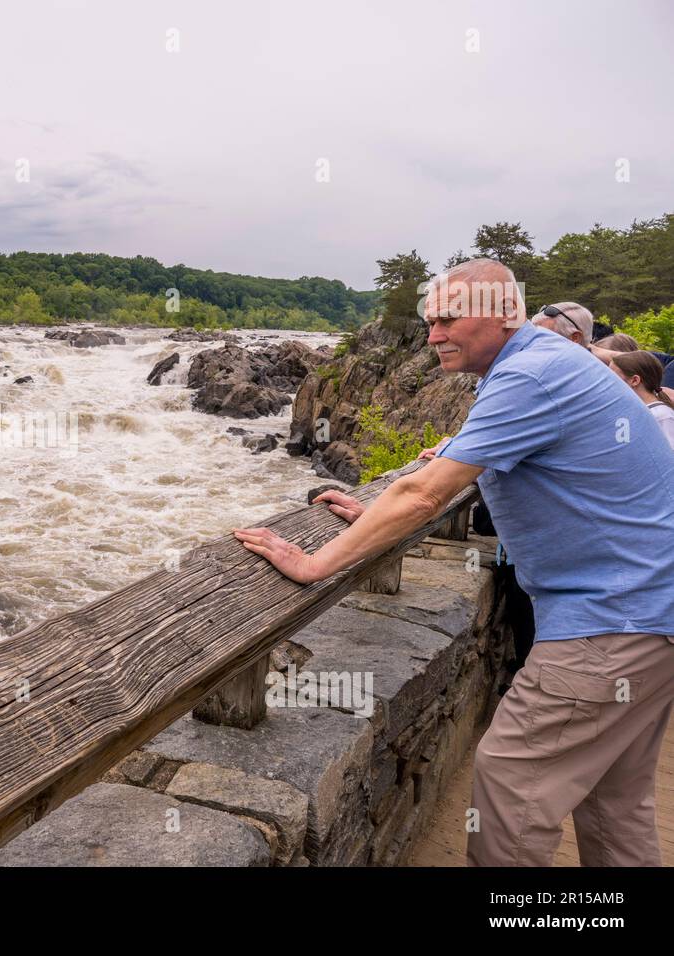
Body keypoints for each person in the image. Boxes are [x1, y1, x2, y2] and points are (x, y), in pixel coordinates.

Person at [234, 258, 674, 867]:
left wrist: (316, 563)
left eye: (447, 319)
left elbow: (426, 492)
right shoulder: (543, 366)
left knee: (512, 784)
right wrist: (372, 519)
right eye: (428, 320)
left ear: (504, 315)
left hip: (611, 620)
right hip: (652, 617)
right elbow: (467, 467)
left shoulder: (532, 375)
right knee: (611, 801)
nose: (433, 334)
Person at [610, 350, 674, 448]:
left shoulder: (662, 416)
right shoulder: (628, 411)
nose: (608, 383)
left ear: (635, 380)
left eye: (613, 377)